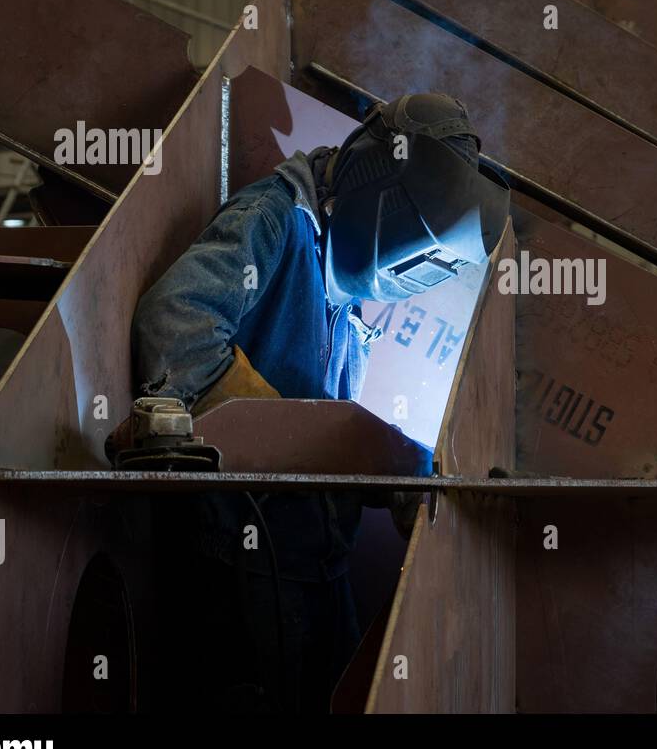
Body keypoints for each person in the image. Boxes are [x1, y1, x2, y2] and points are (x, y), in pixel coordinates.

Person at [130, 92, 509, 712]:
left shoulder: (339, 282)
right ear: (373, 181)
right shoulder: (276, 219)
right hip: (242, 563)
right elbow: (174, 324)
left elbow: (327, 440)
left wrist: (398, 480)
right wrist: (304, 440)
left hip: (316, 562)